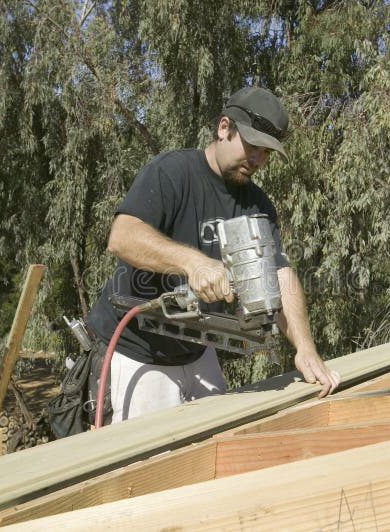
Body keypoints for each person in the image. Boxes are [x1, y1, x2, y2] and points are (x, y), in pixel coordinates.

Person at [85, 86, 340, 424]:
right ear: (224, 128)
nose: (258, 161)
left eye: (266, 153)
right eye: (252, 147)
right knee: (148, 466)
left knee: (218, 440)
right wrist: (194, 263)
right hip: (140, 351)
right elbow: (122, 236)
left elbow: (278, 274)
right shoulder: (171, 172)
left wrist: (305, 348)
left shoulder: (256, 205)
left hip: (197, 349)